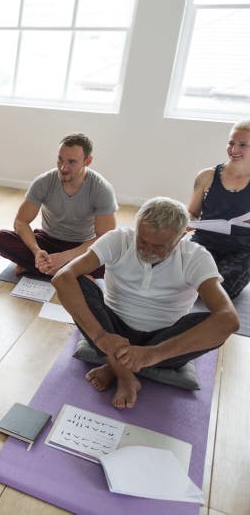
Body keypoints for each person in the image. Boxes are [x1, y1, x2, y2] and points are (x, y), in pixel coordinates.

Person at [52, 197, 238, 410]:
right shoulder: (119, 239)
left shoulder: (195, 256)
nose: (147, 251)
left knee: (214, 323)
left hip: (162, 340)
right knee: (76, 283)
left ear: (180, 238)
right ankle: (125, 375)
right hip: (112, 329)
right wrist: (101, 337)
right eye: (142, 241)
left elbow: (229, 319)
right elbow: (62, 277)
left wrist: (153, 354)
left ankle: (114, 366)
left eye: (158, 246)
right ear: (136, 228)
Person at [0, 133, 118, 278]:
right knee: (0, 238)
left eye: (72, 162)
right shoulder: (44, 182)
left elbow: (105, 237)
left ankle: (37, 267)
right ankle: (71, 274)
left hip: (81, 247)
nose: (63, 167)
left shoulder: (101, 189)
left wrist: (64, 257)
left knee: (113, 262)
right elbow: (21, 221)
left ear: (87, 161)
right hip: (47, 242)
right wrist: (36, 251)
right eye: (60, 159)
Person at [188, 120, 250, 299]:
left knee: (224, 289)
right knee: (179, 274)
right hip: (204, 241)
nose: (234, 150)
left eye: (242, 145)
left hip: (242, 249)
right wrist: (187, 222)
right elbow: (192, 212)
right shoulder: (207, 176)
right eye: (231, 143)